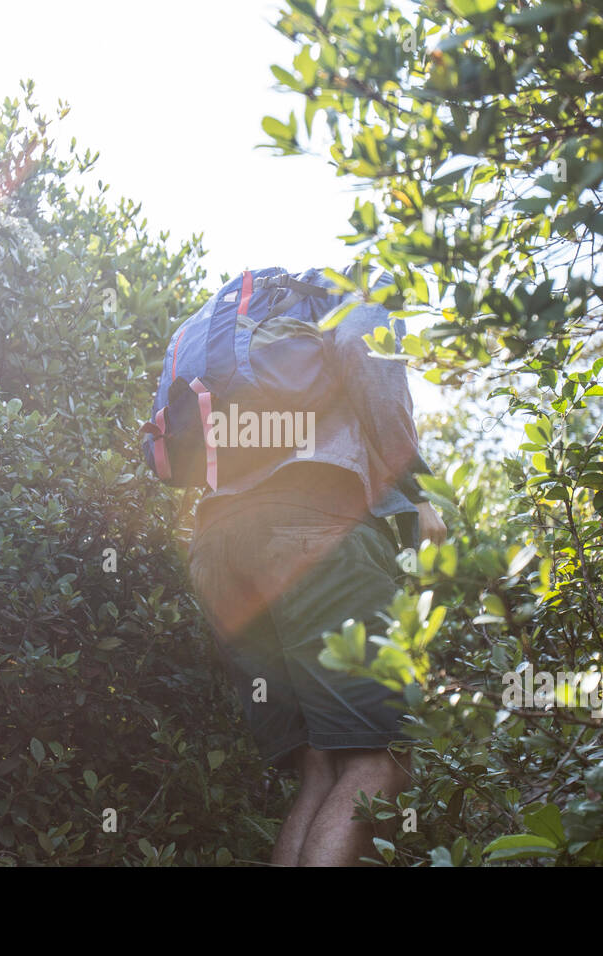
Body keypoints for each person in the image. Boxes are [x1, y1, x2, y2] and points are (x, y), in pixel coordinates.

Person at [186, 283, 446, 866]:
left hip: (219, 550)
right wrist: (420, 490)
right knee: (379, 757)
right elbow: (366, 355)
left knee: (319, 766)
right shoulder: (355, 296)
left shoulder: (248, 324)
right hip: (311, 529)